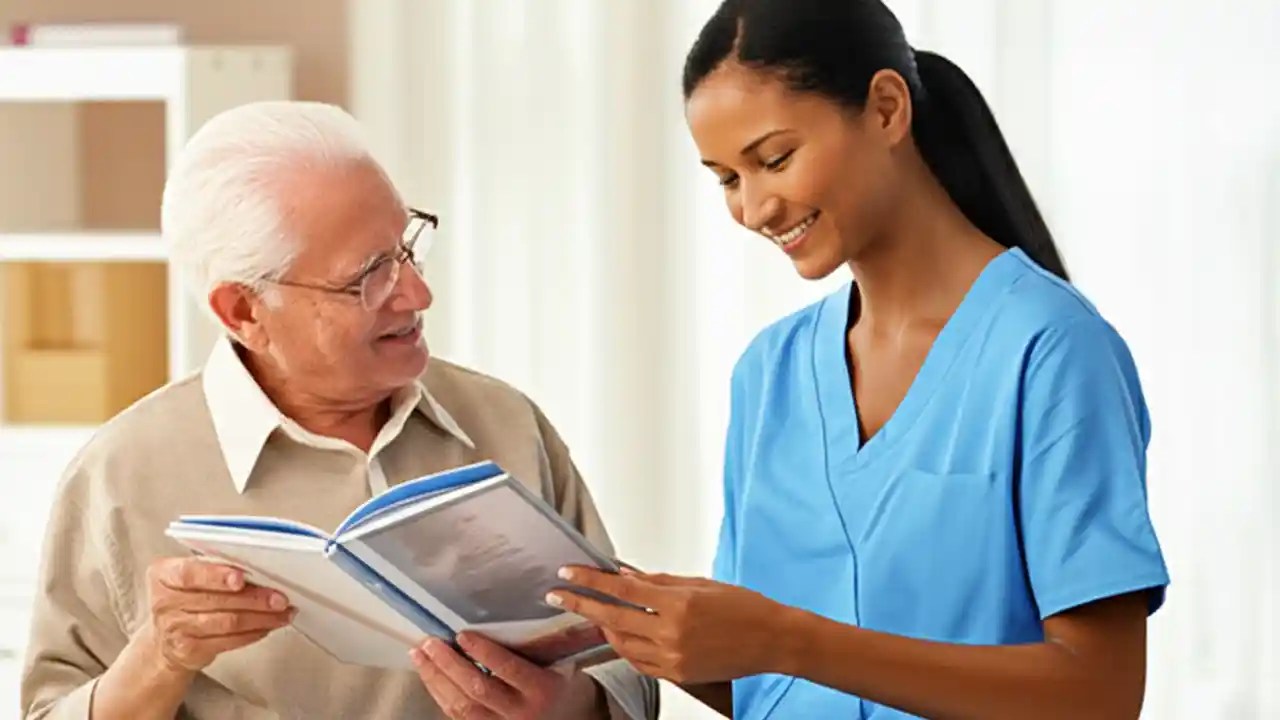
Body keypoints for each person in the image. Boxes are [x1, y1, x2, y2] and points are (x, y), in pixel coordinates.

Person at [550, 1, 1170, 718]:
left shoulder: (1050, 350)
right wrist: (630, 621)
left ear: (883, 109)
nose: (754, 209)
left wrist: (792, 640)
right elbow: (766, 685)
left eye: (774, 159)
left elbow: (1100, 693)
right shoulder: (770, 374)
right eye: (726, 179)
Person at [20, 101, 657, 720]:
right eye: (369, 275)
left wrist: (570, 708)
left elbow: (627, 661)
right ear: (243, 312)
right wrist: (161, 656)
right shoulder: (119, 476)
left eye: (406, 249)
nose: (417, 292)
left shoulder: (506, 422)